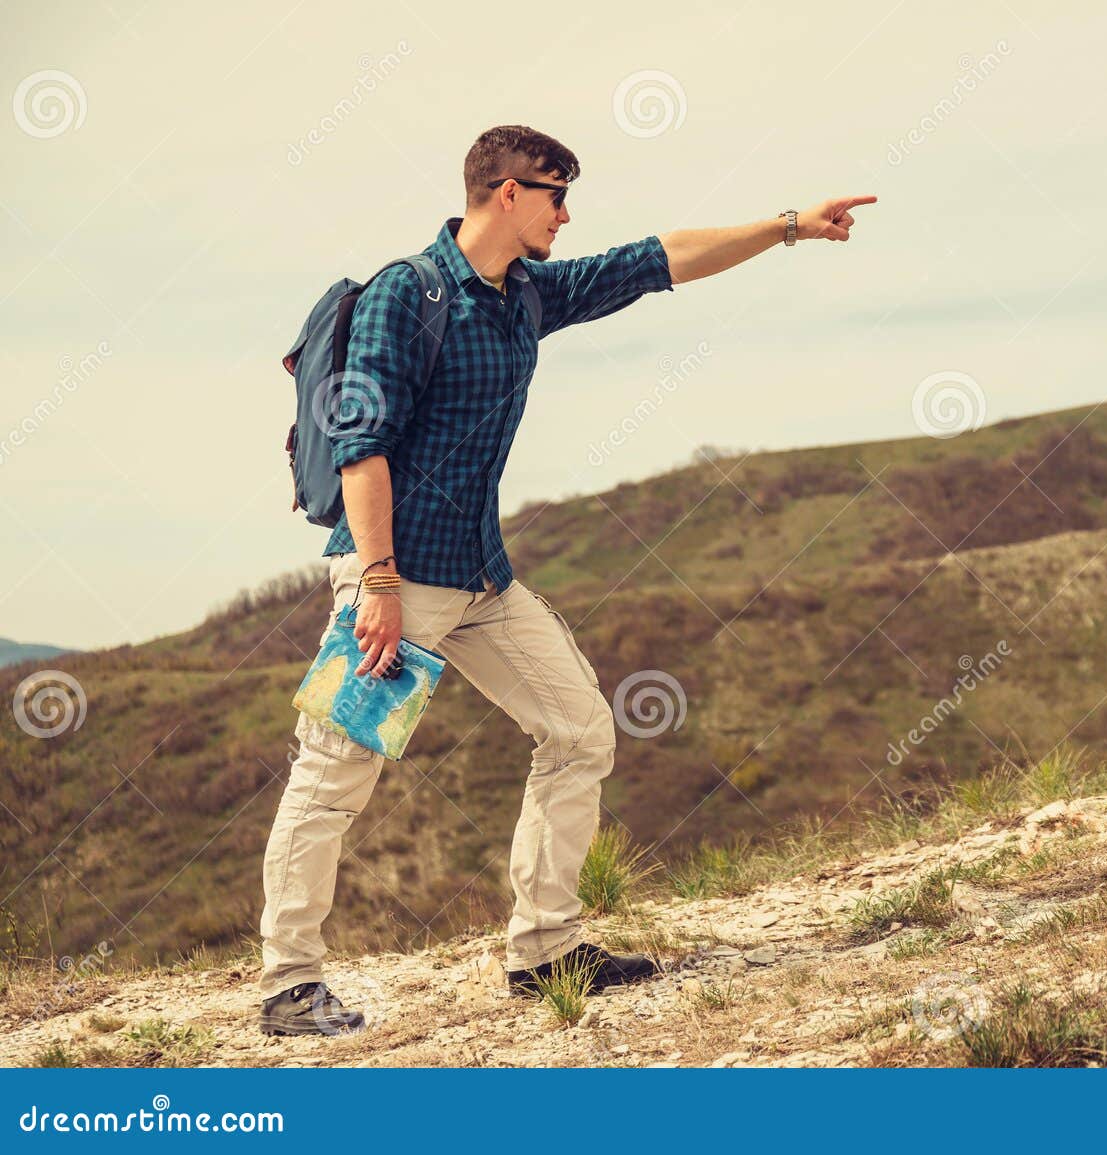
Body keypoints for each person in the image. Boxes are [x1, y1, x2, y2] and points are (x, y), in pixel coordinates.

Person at [256, 124, 875, 1036]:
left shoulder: (526, 294)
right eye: (555, 194)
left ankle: (544, 947)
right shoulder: (406, 295)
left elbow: (655, 259)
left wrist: (788, 225)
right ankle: (290, 985)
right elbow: (362, 448)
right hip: (397, 581)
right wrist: (379, 584)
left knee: (580, 730)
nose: (566, 212)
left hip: (479, 577)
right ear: (506, 192)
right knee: (337, 770)